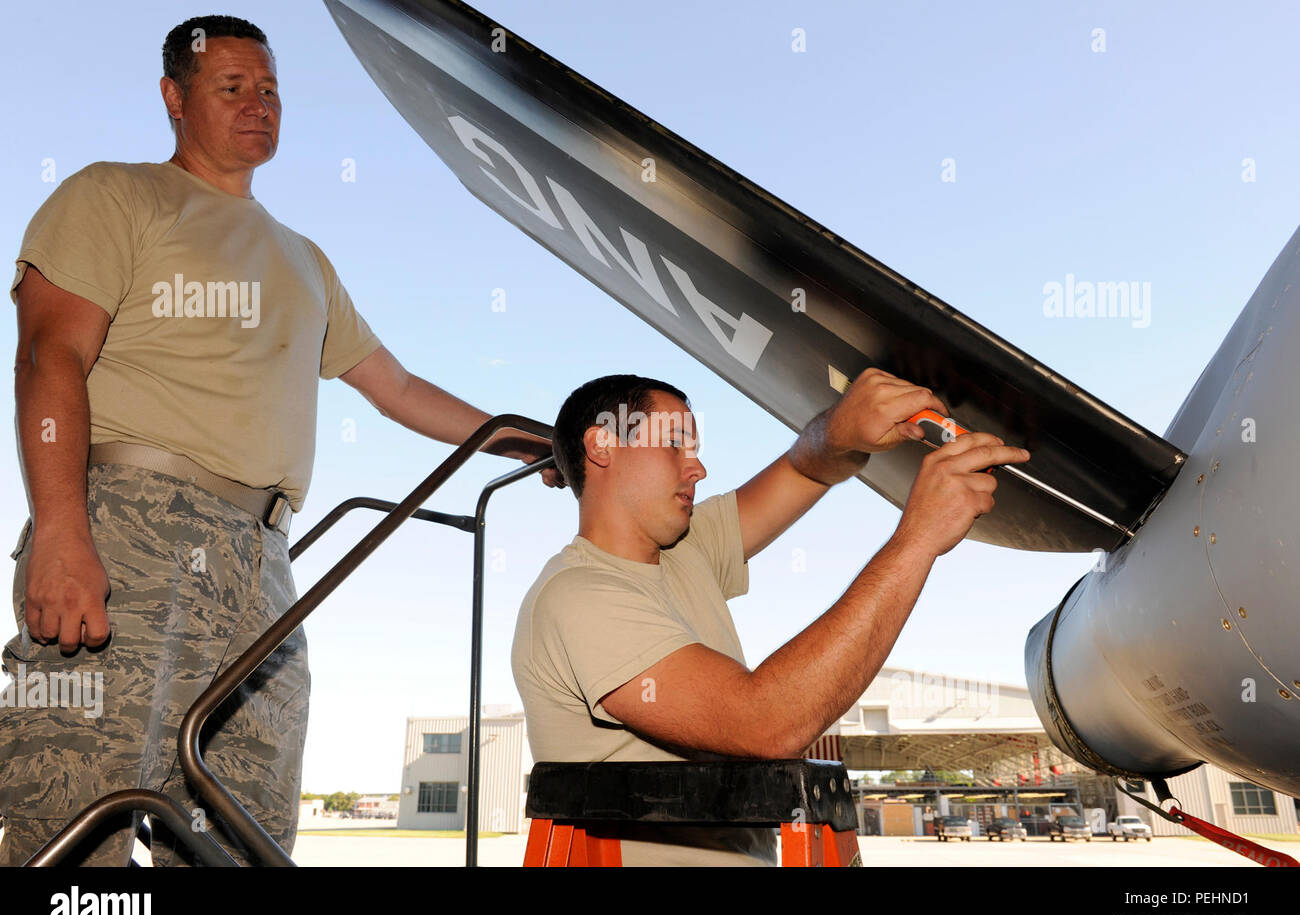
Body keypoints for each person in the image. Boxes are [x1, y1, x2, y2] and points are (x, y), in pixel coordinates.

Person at [0, 14, 558, 867]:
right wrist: (64, 536)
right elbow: (48, 357)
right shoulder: (114, 194)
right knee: (81, 809)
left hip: (264, 561)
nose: (259, 104)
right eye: (232, 88)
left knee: (244, 830)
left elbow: (397, 389)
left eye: (270, 89)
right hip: (129, 528)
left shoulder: (305, 259)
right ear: (173, 99)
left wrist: (524, 440)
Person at [512, 371, 1029, 865]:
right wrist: (916, 540)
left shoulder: (688, 548)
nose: (697, 468)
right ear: (603, 445)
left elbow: (807, 467)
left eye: (696, 450)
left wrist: (844, 428)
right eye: (675, 444)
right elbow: (764, 723)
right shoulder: (579, 596)